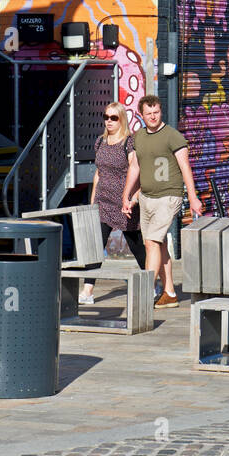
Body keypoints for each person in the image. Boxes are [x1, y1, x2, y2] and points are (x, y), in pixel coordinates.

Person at [122, 95, 205, 308]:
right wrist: (127, 195)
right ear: (141, 114)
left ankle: (146, 291)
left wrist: (193, 196)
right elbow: (135, 167)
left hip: (169, 196)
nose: (152, 116)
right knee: (159, 245)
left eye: (156, 112)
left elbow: (186, 167)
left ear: (161, 112)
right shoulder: (138, 136)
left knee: (151, 243)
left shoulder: (172, 136)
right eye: (148, 113)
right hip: (146, 197)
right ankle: (169, 293)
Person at [81, 102, 146, 305]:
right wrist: (92, 202)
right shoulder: (100, 141)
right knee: (95, 245)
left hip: (124, 202)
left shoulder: (129, 142)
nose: (109, 121)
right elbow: (98, 174)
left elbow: (136, 171)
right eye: (106, 117)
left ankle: (152, 282)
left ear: (121, 119)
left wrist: (132, 199)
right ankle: (87, 290)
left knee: (137, 246)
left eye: (113, 118)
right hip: (103, 202)